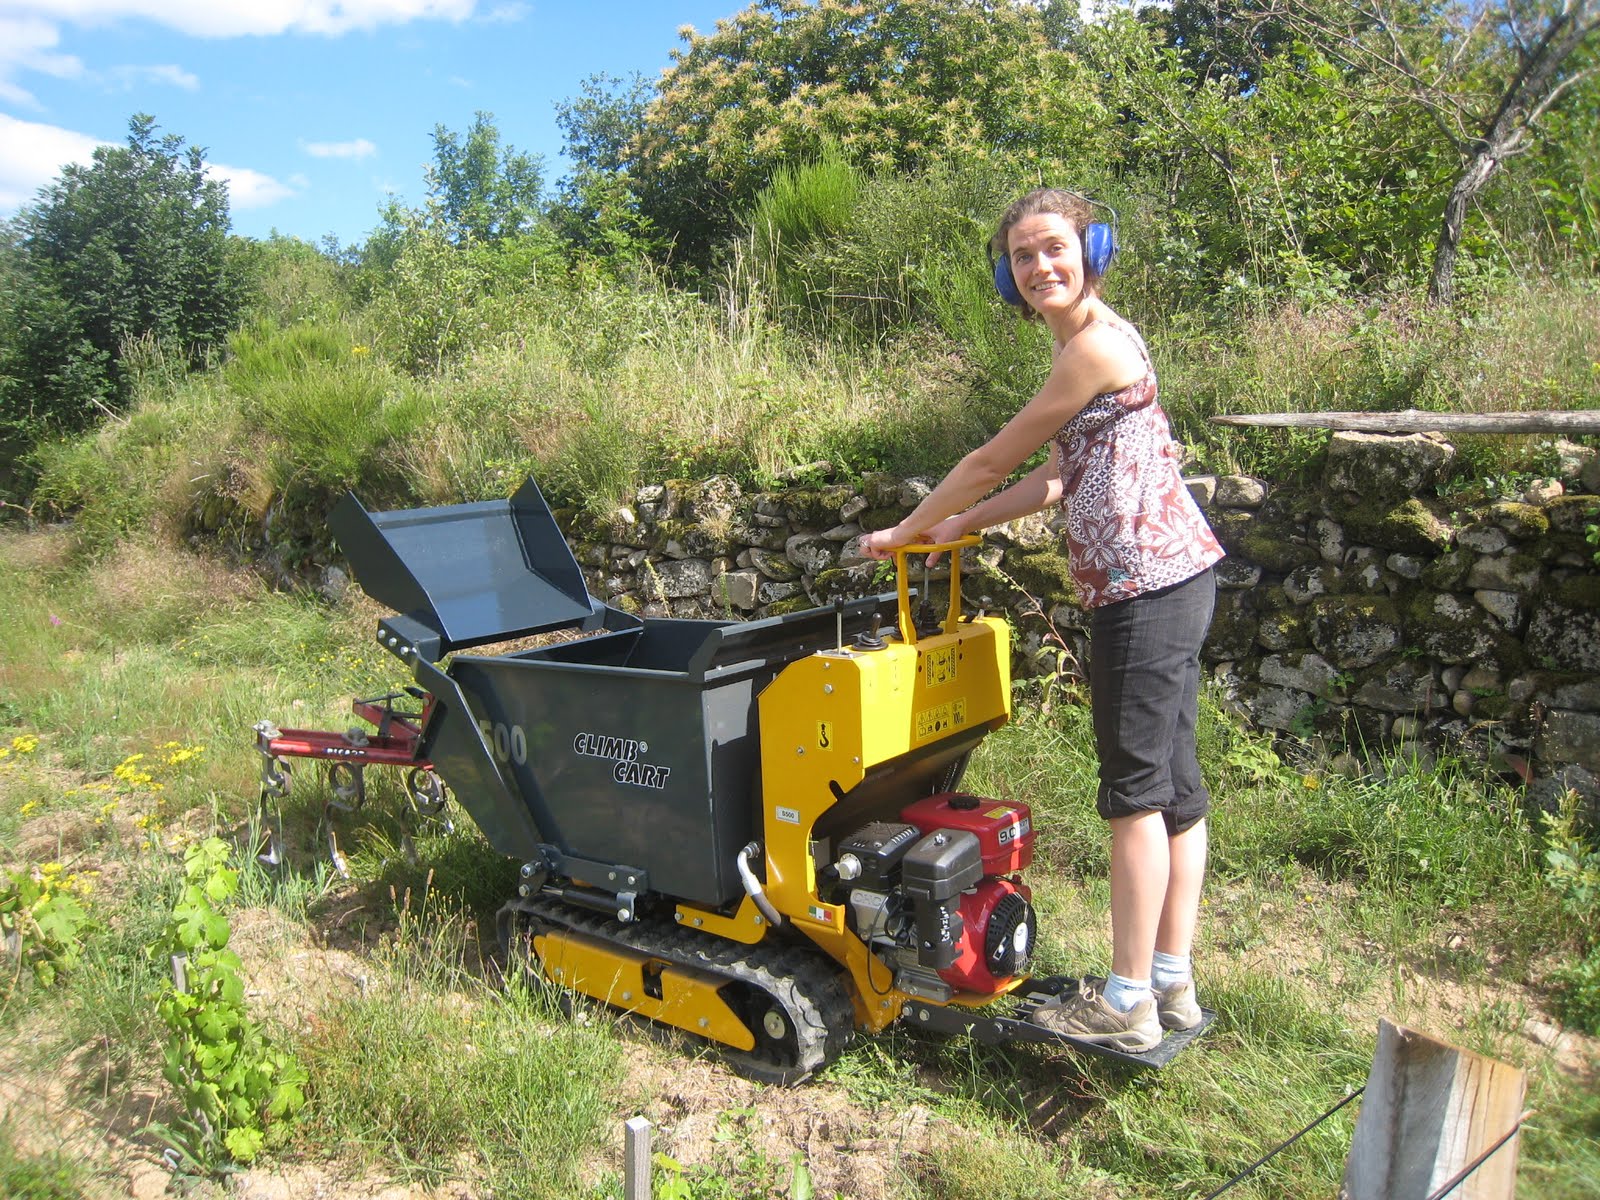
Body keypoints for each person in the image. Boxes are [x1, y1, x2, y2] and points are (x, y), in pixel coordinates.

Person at [860, 188, 1224, 1052]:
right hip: (1174, 579)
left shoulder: (1092, 347)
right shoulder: (1090, 343)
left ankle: (1127, 1002)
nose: (1038, 267)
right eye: (1021, 256)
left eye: (1054, 247)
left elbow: (992, 457)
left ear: (1093, 249)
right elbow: (1057, 475)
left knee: (1136, 798)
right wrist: (961, 524)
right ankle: (1170, 982)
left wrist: (906, 529)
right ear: (1006, 275)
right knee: (1175, 791)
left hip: (1143, 589)